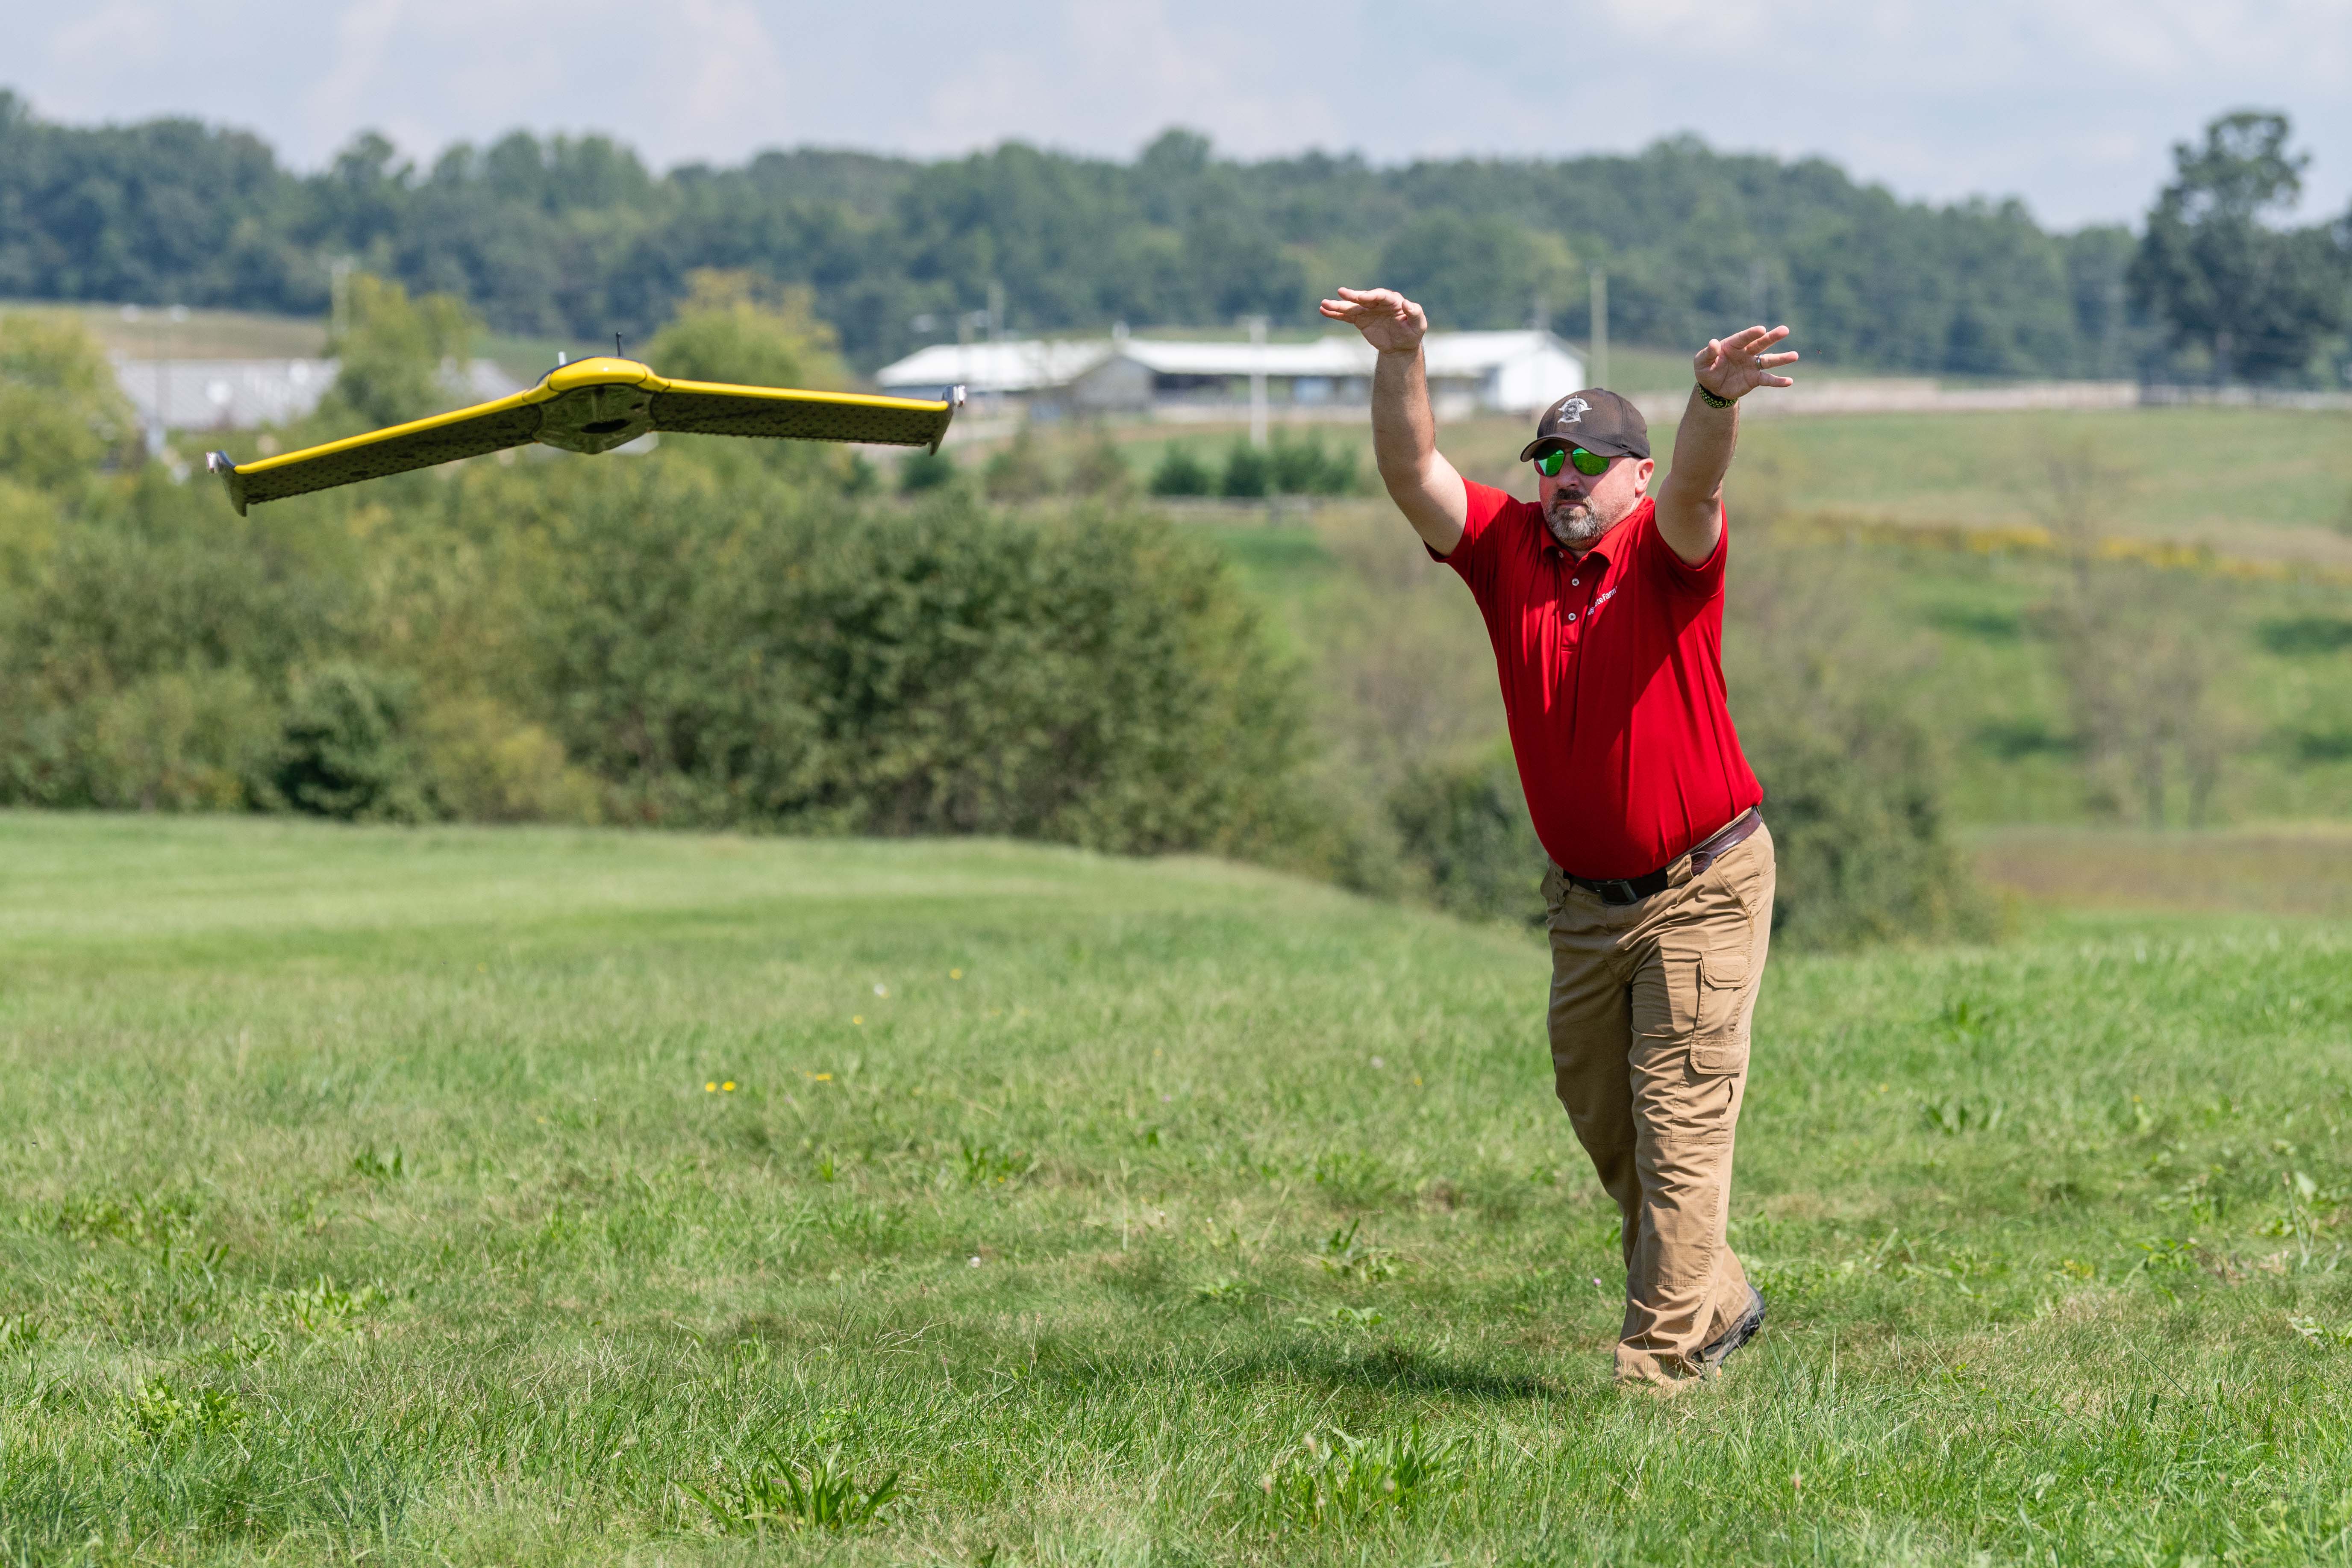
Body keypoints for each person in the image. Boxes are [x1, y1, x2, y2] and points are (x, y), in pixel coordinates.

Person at [1320, 285, 1798, 1390]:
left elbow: (1698, 483)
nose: (1565, 481)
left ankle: (1659, 1377)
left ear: (1632, 477)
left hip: (1705, 884)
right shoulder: (1508, 554)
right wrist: (1401, 360)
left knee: (1680, 1132)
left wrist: (1712, 398)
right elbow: (1413, 475)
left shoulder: (1669, 553)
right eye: (1550, 462)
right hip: (1586, 905)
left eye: (1588, 464)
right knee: (1606, 1121)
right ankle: (1716, 1290)